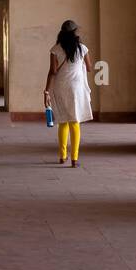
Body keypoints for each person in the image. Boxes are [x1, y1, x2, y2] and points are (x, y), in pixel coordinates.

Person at [44, 19, 93, 167]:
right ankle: (74, 159)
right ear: (75, 32)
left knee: (63, 121)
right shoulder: (82, 48)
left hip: (60, 87)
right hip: (76, 87)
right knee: (75, 121)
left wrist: (46, 91)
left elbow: (53, 71)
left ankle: (62, 155)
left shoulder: (55, 49)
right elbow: (89, 68)